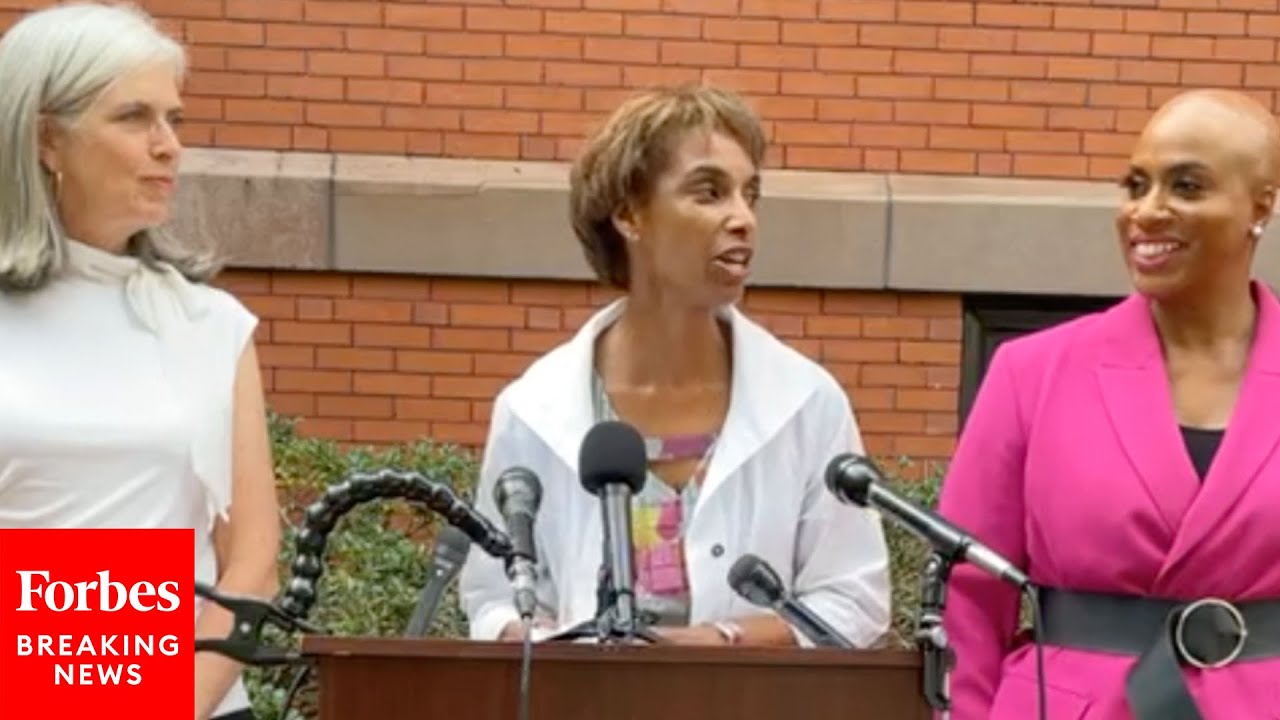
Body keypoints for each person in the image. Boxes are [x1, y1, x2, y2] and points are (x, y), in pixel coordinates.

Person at [458, 84, 891, 648]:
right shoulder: (533, 408)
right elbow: (493, 597)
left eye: (749, 194)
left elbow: (852, 600)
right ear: (630, 214)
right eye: (709, 192)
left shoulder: (808, 402)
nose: (743, 219)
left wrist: (719, 643)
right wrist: (552, 650)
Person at [938, 88, 1280, 719]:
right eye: (1135, 185)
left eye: (1186, 186)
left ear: (1260, 204)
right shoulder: (1032, 373)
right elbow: (970, 598)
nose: (1147, 212)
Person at [0, 4, 280, 719]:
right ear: (46, 140)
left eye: (174, 119)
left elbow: (251, 556)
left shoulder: (211, 323)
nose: (169, 146)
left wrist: (179, 704)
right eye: (133, 117)